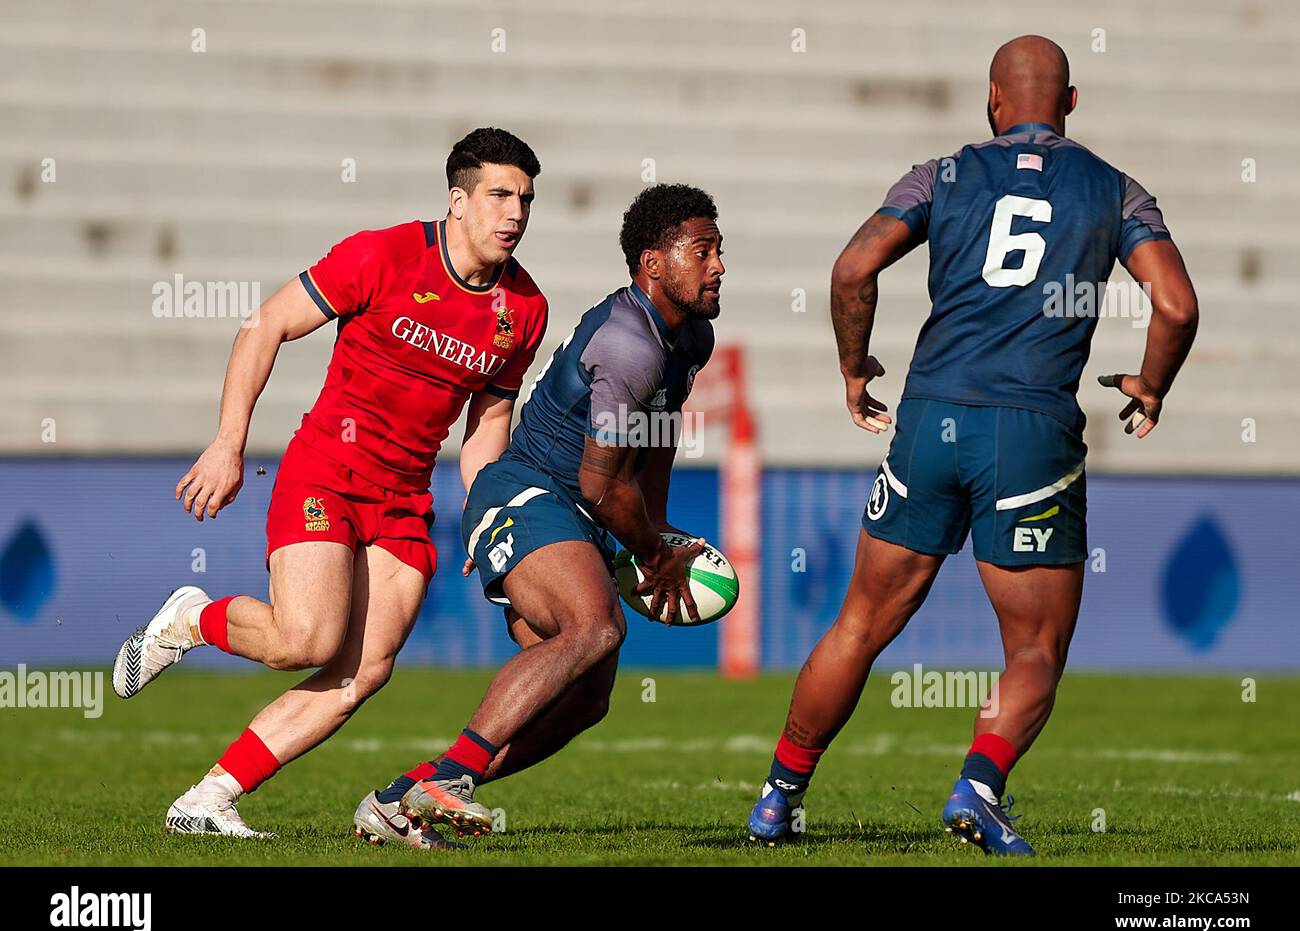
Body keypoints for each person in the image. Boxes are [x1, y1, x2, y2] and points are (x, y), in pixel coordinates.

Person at [746, 35, 1198, 855]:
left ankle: (779, 795)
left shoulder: (940, 175)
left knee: (860, 622)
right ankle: (979, 787)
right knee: (1034, 645)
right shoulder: (1115, 189)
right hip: (1030, 431)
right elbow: (1175, 304)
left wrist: (854, 371)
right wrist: (1151, 384)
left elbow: (853, 270)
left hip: (930, 418)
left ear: (993, 99)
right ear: (1070, 101)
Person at [111, 128, 549, 845]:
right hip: (327, 470)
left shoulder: (523, 310)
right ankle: (193, 620)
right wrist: (228, 443)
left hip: (405, 497)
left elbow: (487, 424)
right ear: (458, 200)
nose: (515, 213)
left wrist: (484, 510)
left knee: (362, 673)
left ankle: (209, 798)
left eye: (526, 199)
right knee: (304, 639)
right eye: (500, 195)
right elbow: (267, 324)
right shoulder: (381, 254)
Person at [355, 183, 723, 843]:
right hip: (526, 494)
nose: (719, 265)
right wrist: (652, 554)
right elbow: (602, 484)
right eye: (703, 251)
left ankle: (405, 797)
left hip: (575, 513)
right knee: (593, 628)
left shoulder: (691, 336)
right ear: (654, 264)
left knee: (587, 697)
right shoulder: (629, 345)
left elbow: (657, 437)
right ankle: (452, 780)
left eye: (718, 250)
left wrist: (659, 525)